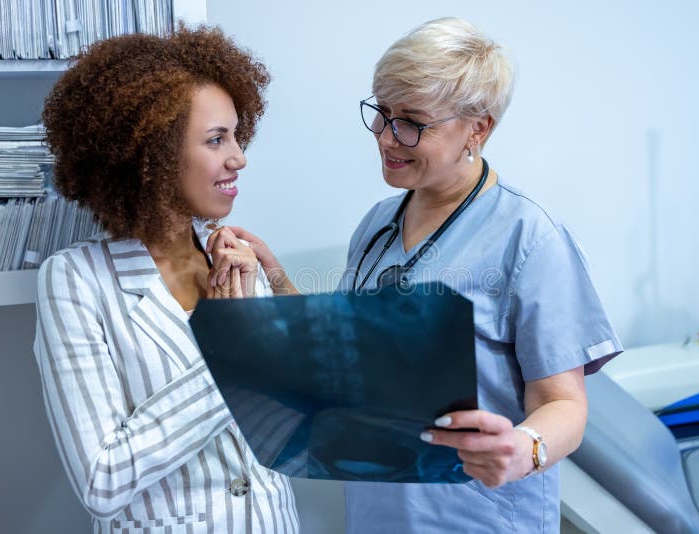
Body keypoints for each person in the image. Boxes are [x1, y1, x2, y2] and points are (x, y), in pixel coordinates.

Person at [230, 17, 622, 532]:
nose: (386, 137)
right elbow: (348, 358)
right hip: (376, 514)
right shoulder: (376, 225)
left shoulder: (530, 238)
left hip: (477, 517)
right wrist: (278, 284)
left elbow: (564, 404)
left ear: (477, 129)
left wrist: (524, 446)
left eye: (412, 122)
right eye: (382, 112)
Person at [33, 26, 299, 533]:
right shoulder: (75, 281)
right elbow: (102, 482)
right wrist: (234, 350)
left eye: (236, 135)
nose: (239, 157)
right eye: (217, 139)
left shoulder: (236, 261)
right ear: (151, 154)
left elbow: (293, 421)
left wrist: (284, 301)